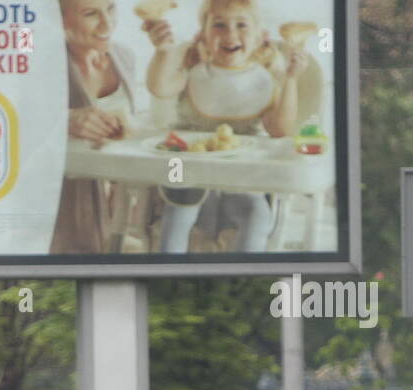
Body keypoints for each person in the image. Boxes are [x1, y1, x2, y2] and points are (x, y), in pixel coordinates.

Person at [144, 0, 308, 252]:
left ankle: (243, 279)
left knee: (259, 215)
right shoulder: (193, 73)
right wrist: (163, 51)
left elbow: (280, 130)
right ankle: (167, 271)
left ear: (259, 37)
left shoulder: (263, 80)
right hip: (189, 177)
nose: (230, 34)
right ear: (203, 35)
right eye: (219, 25)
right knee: (177, 213)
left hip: (240, 181)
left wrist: (291, 79)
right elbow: (159, 87)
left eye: (241, 25)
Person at [50, 0, 137, 254]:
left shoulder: (124, 56)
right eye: (91, 14)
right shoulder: (42, 64)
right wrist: (65, 120)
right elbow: (14, 123)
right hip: (69, 209)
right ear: (61, 19)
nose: (107, 23)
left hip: (120, 205)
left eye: (110, 8)